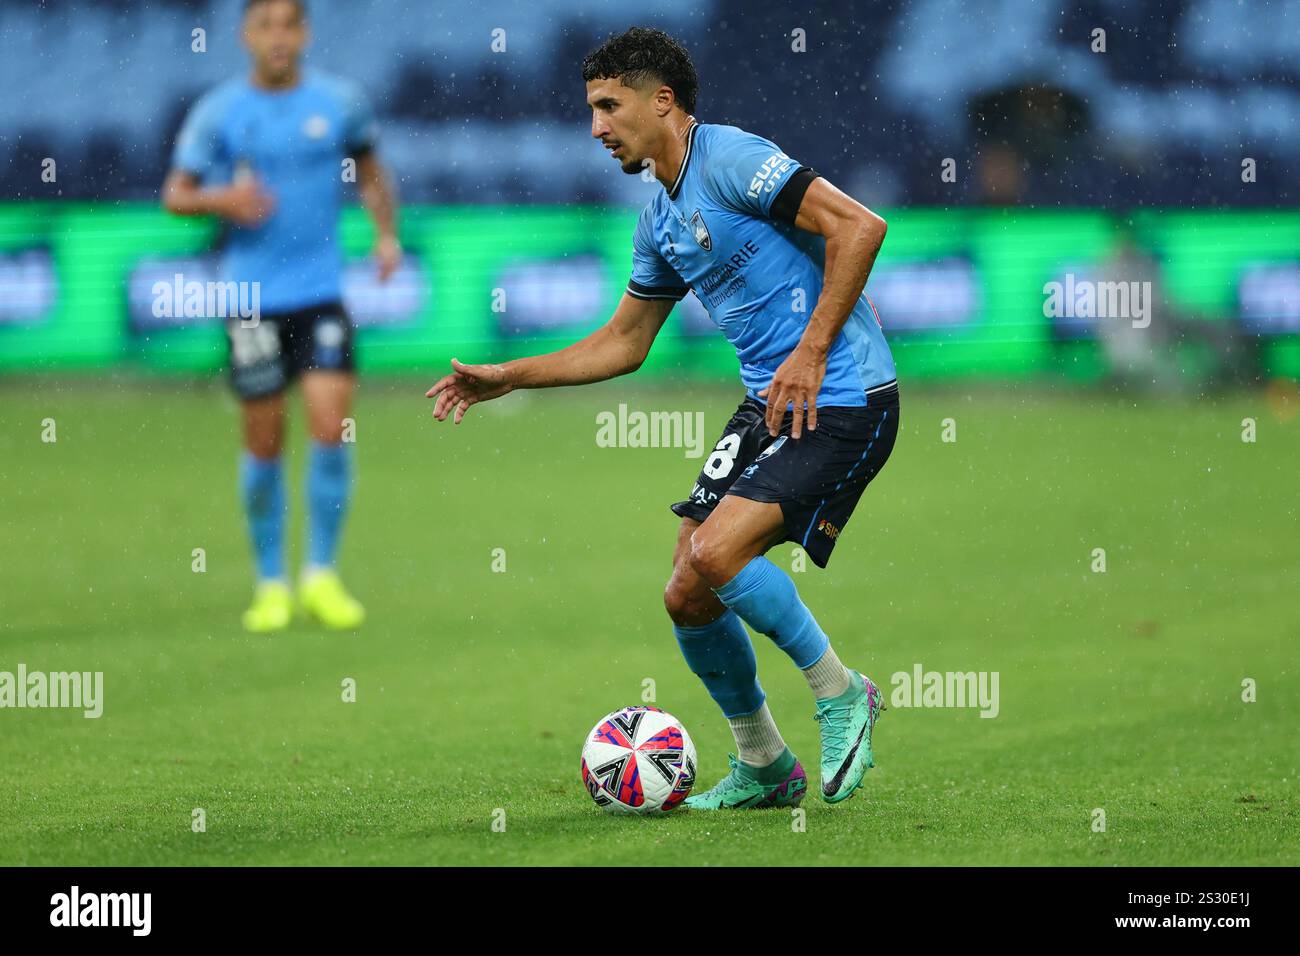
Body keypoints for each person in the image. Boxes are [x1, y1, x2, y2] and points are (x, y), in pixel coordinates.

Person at [427, 27, 899, 808]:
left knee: (716, 553)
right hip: (771, 405)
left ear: (662, 101)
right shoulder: (660, 222)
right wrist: (509, 377)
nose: (597, 127)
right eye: (591, 109)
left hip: (844, 396)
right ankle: (765, 765)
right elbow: (624, 342)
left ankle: (842, 691)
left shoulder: (735, 159)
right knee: (687, 588)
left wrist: (812, 349)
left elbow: (861, 226)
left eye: (609, 106)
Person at [162, 0, 400, 632]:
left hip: (321, 293)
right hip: (250, 302)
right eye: (264, 25)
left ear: (304, 33)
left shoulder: (340, 102)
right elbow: (175, 195)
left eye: (287, 25)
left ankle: (320, 575)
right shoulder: (219, 111)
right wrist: (225, 199)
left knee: (329, 426)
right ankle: (271, 582)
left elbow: (374, 174)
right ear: (246, 35)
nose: (277, 37)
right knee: (264, 440)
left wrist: (385, 236)